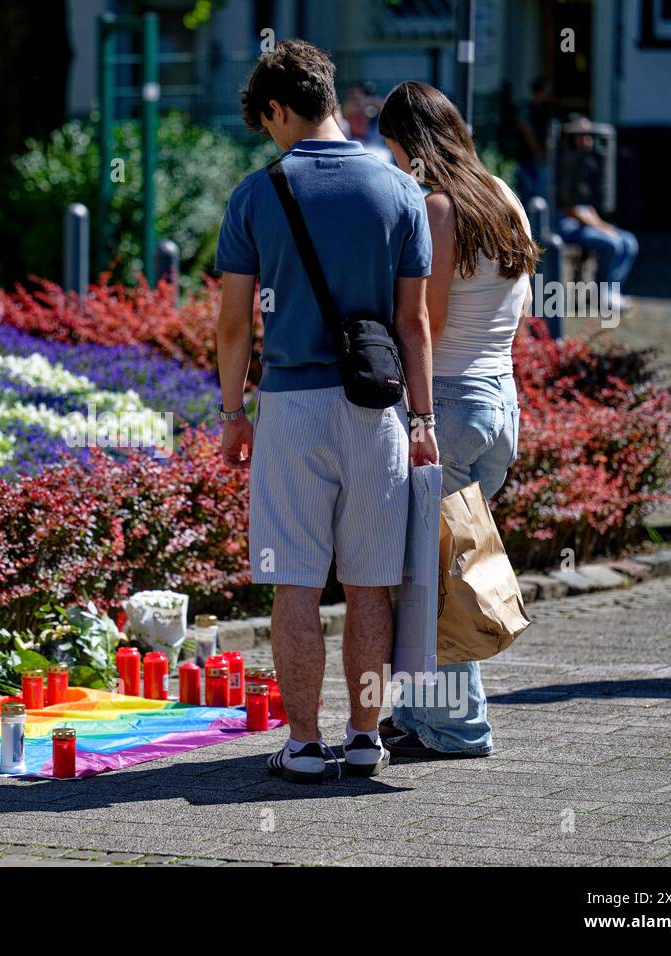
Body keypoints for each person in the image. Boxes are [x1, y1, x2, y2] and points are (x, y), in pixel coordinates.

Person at [215, 40, 438, 783]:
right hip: (379, 409)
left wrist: (231, 414)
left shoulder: (256, 195)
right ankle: (367, 736)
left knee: (296, 582)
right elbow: (415, 325)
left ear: (279, 109)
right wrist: (425, 422)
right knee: (371, 583)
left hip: (290, 407)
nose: (270, 138)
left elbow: (234, 323)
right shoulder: (400, 191)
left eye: (267, 123)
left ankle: (305, 744)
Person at [377, 80, 540, 759]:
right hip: (499, 404)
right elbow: (521, 310)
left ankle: (457, 728)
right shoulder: (503, 196)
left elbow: (427, 323)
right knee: (436, 564)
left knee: (440, 577)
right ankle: (418, 717)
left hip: (449, 406)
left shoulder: (439, 211)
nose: (389, 165)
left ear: (413, 149)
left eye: (391, 151)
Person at [555, 116, 638, 310]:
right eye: (582, 136)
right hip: (567, 225)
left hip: (586, 221)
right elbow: (570, 209)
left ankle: (612, 291)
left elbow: (587, 205)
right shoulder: (564, 164)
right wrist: (601, 227)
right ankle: (601, 293)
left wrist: (603, 225)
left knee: (629, 241)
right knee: (613, 244)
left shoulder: (585, 163)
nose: (588, 140)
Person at [515, 77, 555, 206]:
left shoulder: (546, 110)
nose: (549, 96)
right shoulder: (528, 109)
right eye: (547, 93)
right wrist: (538, 151)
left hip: (538, 158)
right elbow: (526, 130)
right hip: (529, 158)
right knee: (531, 195)